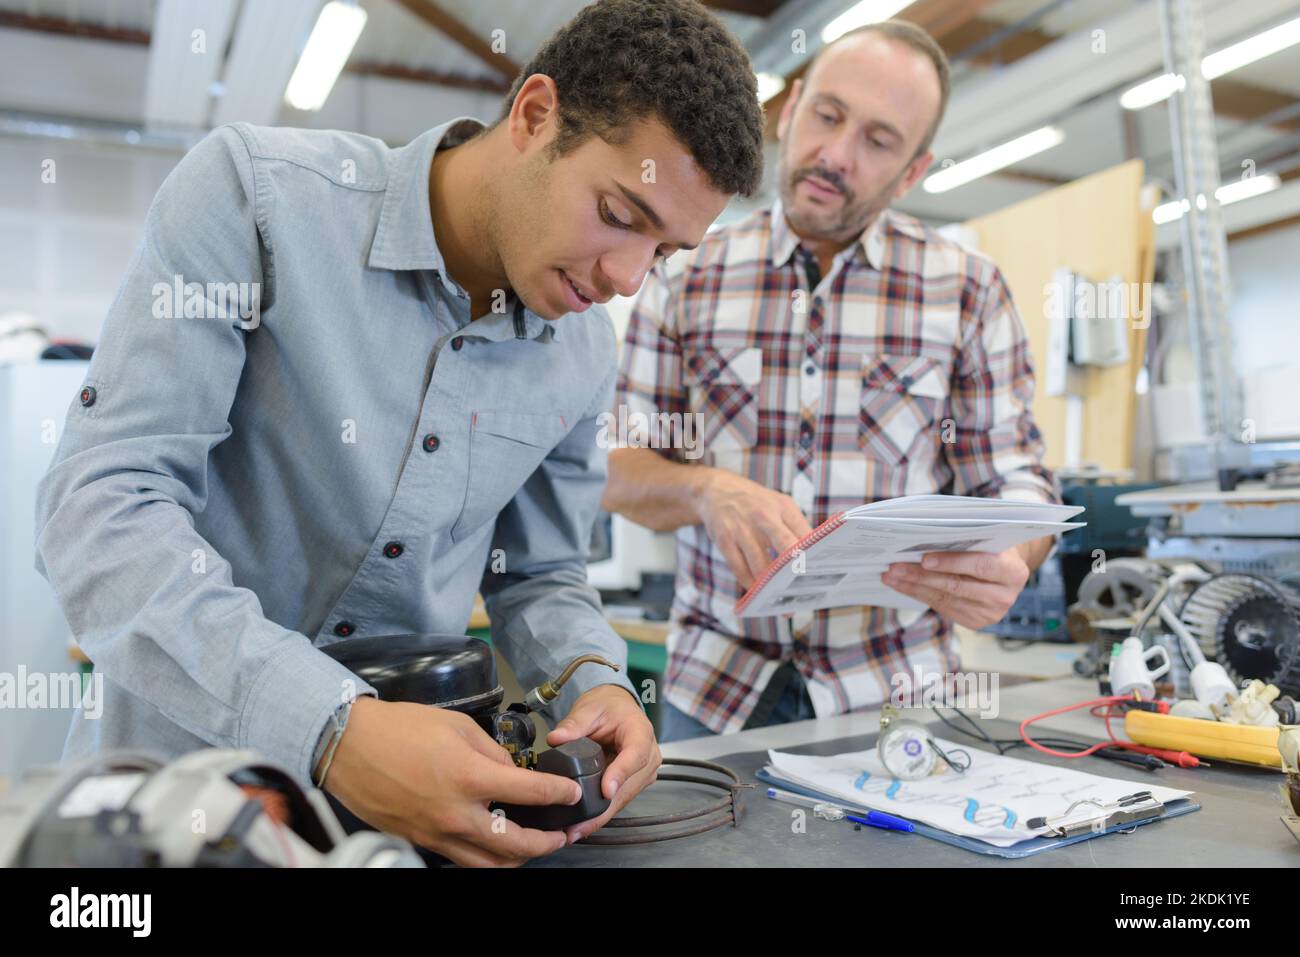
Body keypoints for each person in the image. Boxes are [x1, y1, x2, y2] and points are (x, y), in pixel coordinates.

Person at [33, 0, 765, 865]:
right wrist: (332, 727)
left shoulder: (579, 352)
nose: (626, 277)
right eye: (618, 212)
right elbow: (102, 508)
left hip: (414, 828)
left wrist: (592, 677)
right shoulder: (257, 200)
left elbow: (539, 573)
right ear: (536, 116)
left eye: (667, 252)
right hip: (176, 806)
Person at [604, 20, 1060, 742]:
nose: (836, 154)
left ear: (912, 171)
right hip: (716, 689)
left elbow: (1016, 478)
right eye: (827, 115)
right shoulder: (683, 271)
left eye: (879, 141)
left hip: (899, 696)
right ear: (789, 111)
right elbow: (618, 471)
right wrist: (704, 489)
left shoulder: (967, 289)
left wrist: (1011, 560)